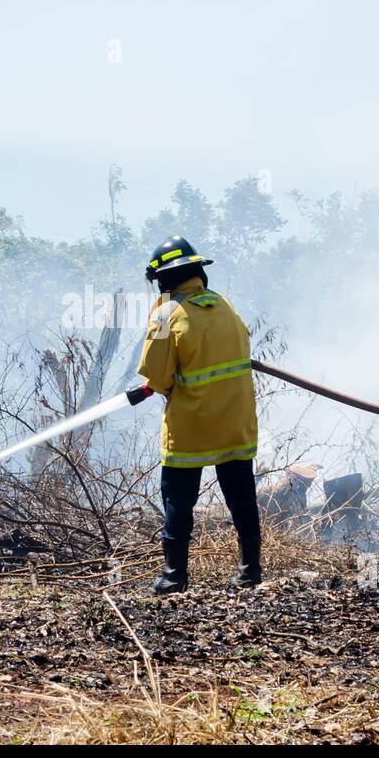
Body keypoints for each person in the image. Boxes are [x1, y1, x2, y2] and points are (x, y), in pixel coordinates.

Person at [137, 235, 261, 594]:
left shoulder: (164, 313)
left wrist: (153, 384)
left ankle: (174, 576)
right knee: (241, 496)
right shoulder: (225, 305)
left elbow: (158, 377)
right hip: (236, 422)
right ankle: (249, 572)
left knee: (178, 499)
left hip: (192, 427)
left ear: (164, 279)